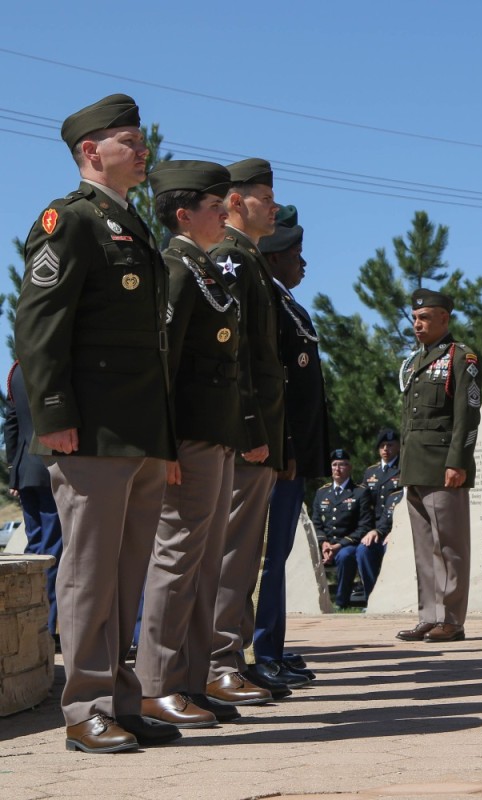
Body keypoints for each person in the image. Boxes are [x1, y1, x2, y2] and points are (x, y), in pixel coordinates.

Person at [15, 94, 181, 752]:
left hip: (137, 431)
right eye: (129, 142)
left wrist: (163, 436)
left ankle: (119, 699)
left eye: (140, 140)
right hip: (89, 433)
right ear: (91, 151)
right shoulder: (71, 221)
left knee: (125, 576)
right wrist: (53, 414)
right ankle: (85, 706)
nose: (143, 150)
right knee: (89, 574)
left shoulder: (129, 223)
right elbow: (39, 325)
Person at [135, 160, 258, 730]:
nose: (224, 214)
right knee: (177, 559)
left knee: (204, 565)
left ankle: (189, 681)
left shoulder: (204, 270)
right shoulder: (176, 270)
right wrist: (165, 445)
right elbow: (164, 363)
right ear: (184, 215)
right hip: (189, 436)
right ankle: (156, 685)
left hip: (217, 432)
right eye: (214, 207)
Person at [206, 158, 290, 703]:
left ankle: (231, 657)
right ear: (236, 202)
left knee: (243, 555)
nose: (274, 207)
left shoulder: (251, 260)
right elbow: (232, 356)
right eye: (266, 198)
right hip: (243, 435)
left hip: (259, 434)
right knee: (231, 554)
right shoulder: (230, 258)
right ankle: (218, 662)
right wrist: (250, 429)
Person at [251, 204, 329, 688]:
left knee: (275, 556)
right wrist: (283, 446)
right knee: (265, 557)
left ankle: (272, 646)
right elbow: (271, 385)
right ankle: (259, 650)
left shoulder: (285, 303)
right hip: (278, 453)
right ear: (276, 256)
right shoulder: (269, 302)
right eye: (297, 254)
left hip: (291, 452)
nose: (304, 263)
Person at [394, 288, 482, 644]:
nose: (417, 324)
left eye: (425, 317)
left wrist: (458, 462)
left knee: (450, 547)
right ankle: (428, 616)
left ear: (444, 319)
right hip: (416, 465)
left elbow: (467, 414)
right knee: (424, 549)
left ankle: (451, 620)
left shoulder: (462, 357)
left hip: (445, 465)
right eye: (415, 318)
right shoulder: (416, 361)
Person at [4, 363, 63, 645]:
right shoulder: (52, 365)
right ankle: (46, 628)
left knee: (36, 547)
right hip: (52, 466)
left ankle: (35, 624)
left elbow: (11, 423)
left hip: (25, 471)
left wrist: (13, 470)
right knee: (52, 551)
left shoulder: (15, 371)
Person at [313, 449, 374, 609]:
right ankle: (311, 602)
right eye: (334, 465)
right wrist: (324, 543)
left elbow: (365, 526)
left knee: (345, 556)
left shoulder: (360, 492)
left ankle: (341, 602)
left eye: (342, 465)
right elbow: (317, 523)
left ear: (350, 467)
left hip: (348, 545)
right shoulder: (322, 493)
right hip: (325, 545)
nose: (337, 469)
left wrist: (338, 546)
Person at [356, 428, 403, 605]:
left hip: (395, 528)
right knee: (363, 551)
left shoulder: (404, 469)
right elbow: (363, 504)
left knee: (391, 554)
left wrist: (396, 531)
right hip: (373, 529)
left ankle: (393, 600)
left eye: (390, 445)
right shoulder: (371, 472)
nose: (386, 449)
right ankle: (372, 599)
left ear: (398, 447)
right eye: (382, 446)